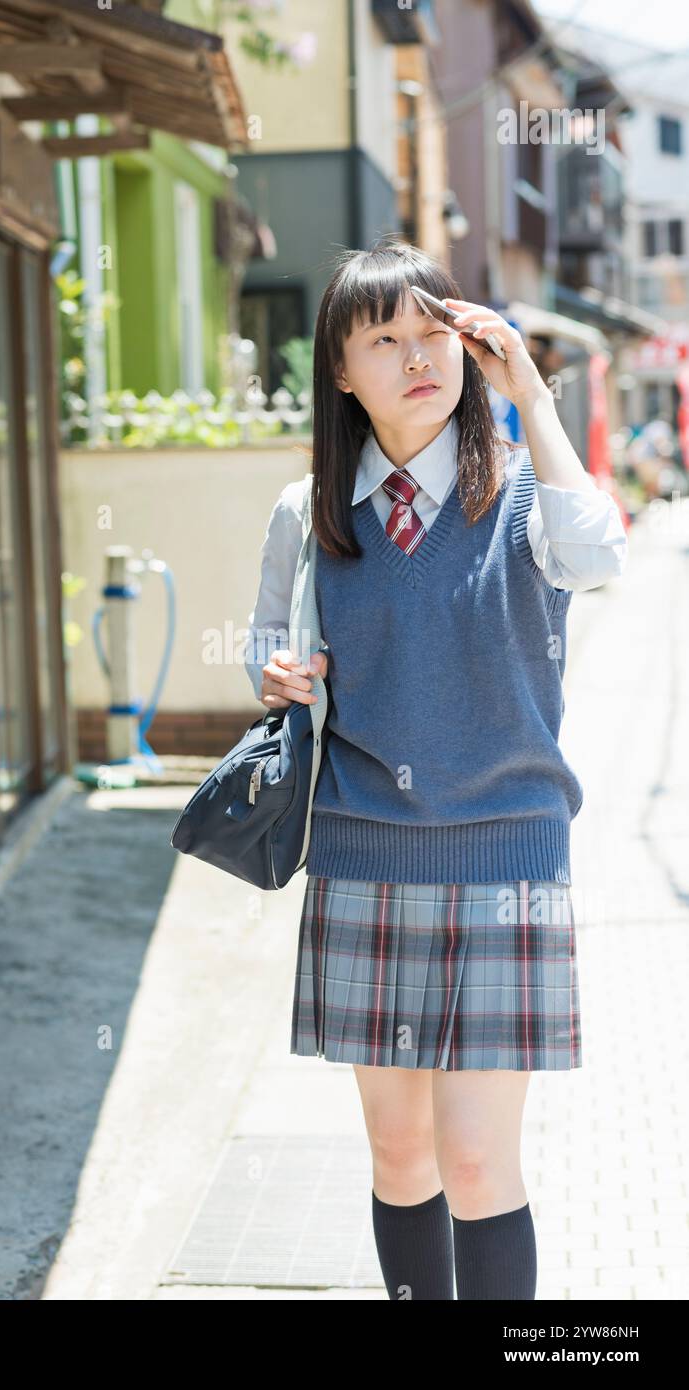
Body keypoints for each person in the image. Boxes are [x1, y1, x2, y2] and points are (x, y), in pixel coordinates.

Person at [244, 237, 628, 1301]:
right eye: (385, 340)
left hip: (506, 858)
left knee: (473, 1161)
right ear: (341, 369)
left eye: (433, 334)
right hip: (367, 857)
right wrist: (276, 672)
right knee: (402, 1156)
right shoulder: (308, 512)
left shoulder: (521, 495)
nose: (418, 358)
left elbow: (600, 555)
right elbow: (271, 645)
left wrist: (532, 399)